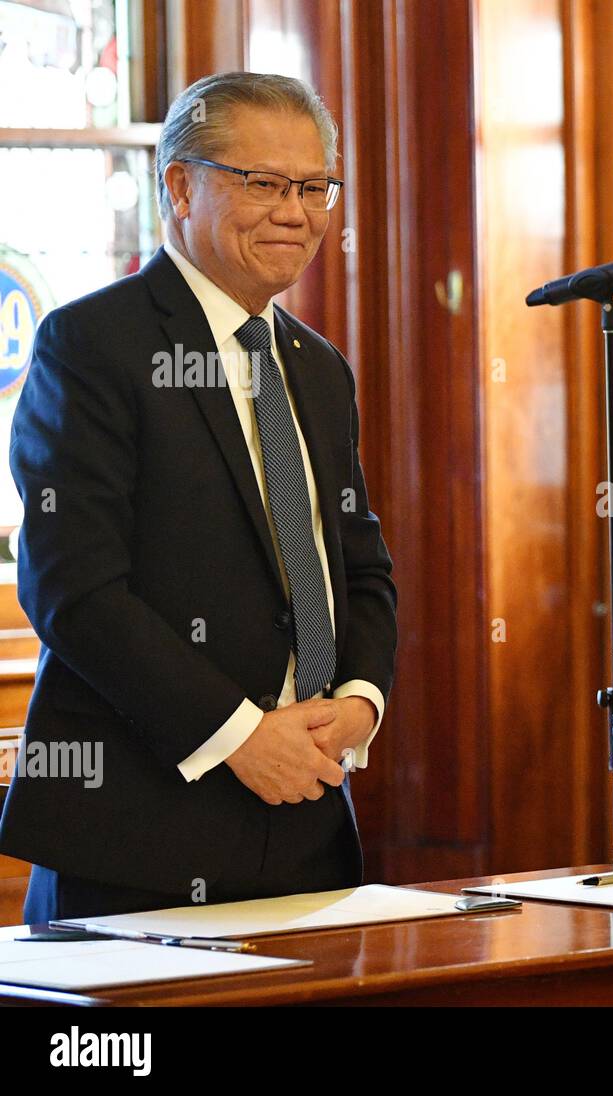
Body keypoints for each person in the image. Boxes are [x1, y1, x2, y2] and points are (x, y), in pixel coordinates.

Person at [0, 72, 397, 922]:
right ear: (179, 184)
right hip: (138, 838)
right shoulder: (91, 344)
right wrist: (240, 736)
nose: (296, 212)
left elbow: (361, 572)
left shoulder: (320, 369)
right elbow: (74, 591)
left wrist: (359, 702)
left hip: (312, 833)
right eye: (263, 183)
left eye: (315, 186)